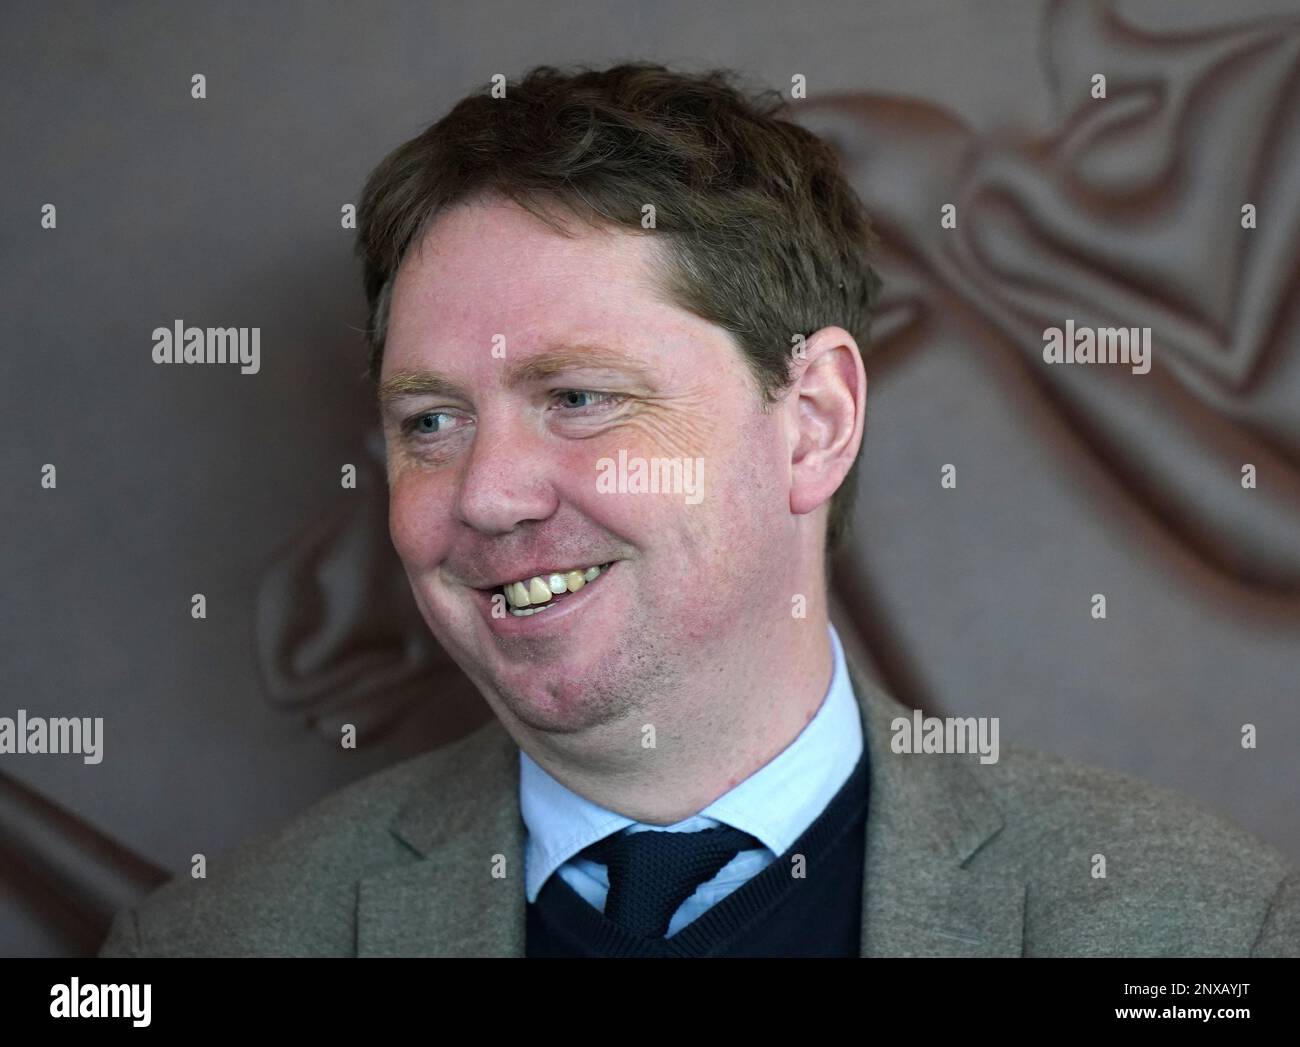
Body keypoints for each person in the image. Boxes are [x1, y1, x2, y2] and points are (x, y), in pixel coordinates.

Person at [99, 62, 1298, 958]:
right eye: (430, 420)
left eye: (576, 396)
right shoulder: (211, 945)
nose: (486, 495)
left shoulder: (1198, 932)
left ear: (814, 418)